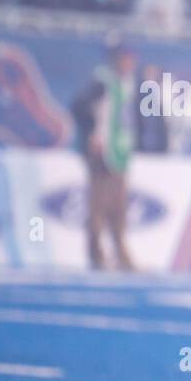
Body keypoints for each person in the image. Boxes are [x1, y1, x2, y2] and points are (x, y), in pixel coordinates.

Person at [70, 32, 138, 270]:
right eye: (125, 57)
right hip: (102, 152)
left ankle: (120, 253)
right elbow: (79, 106)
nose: (130, 62)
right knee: (98, 204)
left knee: (118, 204)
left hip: (118, 152)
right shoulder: (102, 81)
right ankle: (96, 254)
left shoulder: (124, 83)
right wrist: (91, 132)